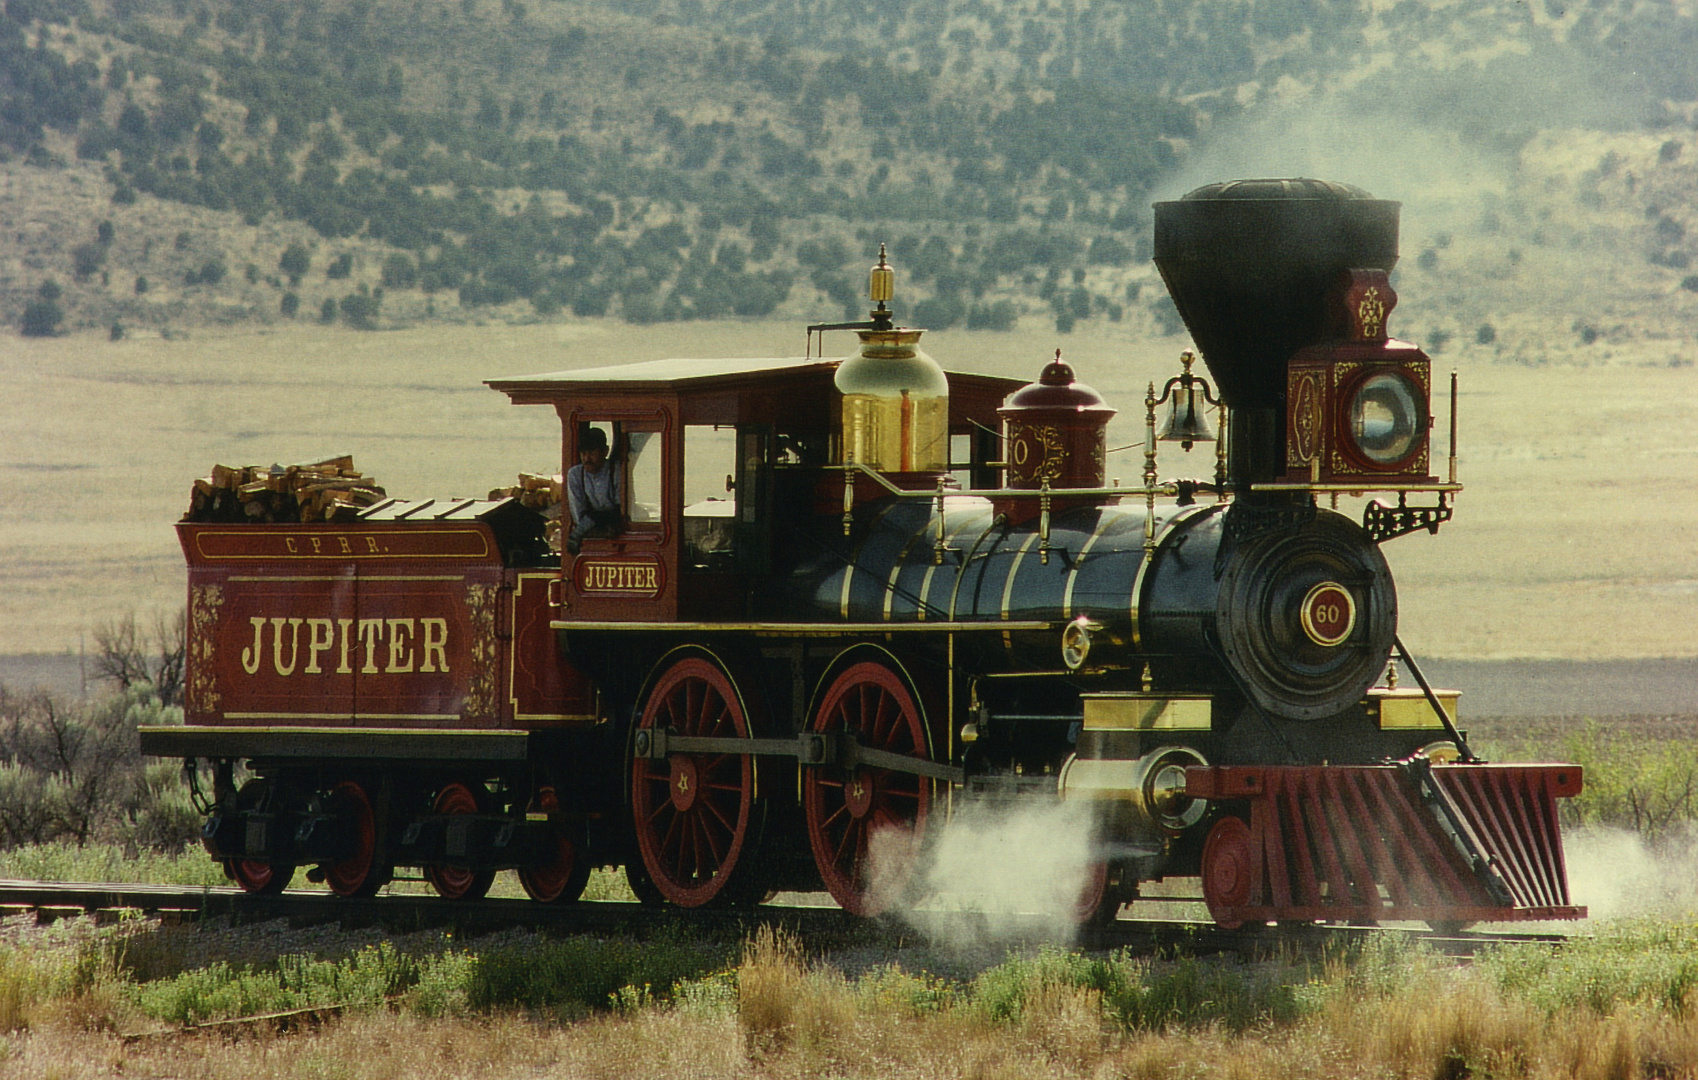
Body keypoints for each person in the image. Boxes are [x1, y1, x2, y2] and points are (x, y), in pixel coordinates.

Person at [565, 427, 623, 554]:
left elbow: (620, 511)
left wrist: (597, 518)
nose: (587, 458)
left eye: (592, 453)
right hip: (590, 528)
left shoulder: (616, 471)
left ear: (605, 451)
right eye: (584, 454)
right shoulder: (576, 474)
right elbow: (579, 514)